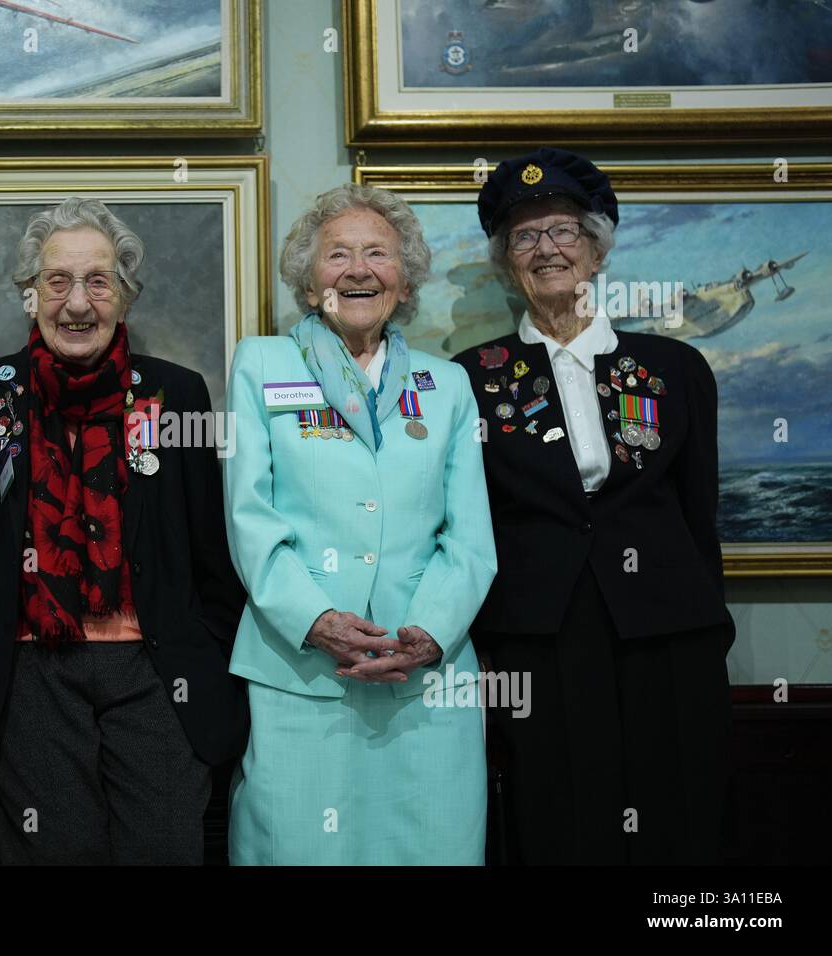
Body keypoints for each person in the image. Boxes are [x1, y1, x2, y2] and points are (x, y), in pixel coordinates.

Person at [0, 197, 247, 865]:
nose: (77, 302)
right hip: (27, 669)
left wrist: (212, 663)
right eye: (57, 281)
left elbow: (210, 550)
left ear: (124, 294)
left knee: (164, 849)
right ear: (30, 293)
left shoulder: (176, 394)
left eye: (98, 280)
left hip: (156, 670)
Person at [452, 147, 734, 865]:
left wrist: (709, 619)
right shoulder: (472, 379)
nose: (546, 249)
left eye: (564, 231)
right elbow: (469, 517)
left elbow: (699, 511)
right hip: (539, 631)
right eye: (524, 236)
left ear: (598, 250)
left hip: (669, 625)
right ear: (505, 261)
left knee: (682, 806)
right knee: (559, 808)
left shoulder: (675, 369)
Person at [223, 183, 497, 865]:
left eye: (378, 253)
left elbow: (469, 539)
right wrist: (315, 619)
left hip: (425, 678)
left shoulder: (448, 384)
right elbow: (248, 517)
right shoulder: (261, 366)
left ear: (403, 281)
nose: (358, 269)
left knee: (433, 847)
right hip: (303, 670)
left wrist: (429, 633)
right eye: (337, 254)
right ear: (308, 278)